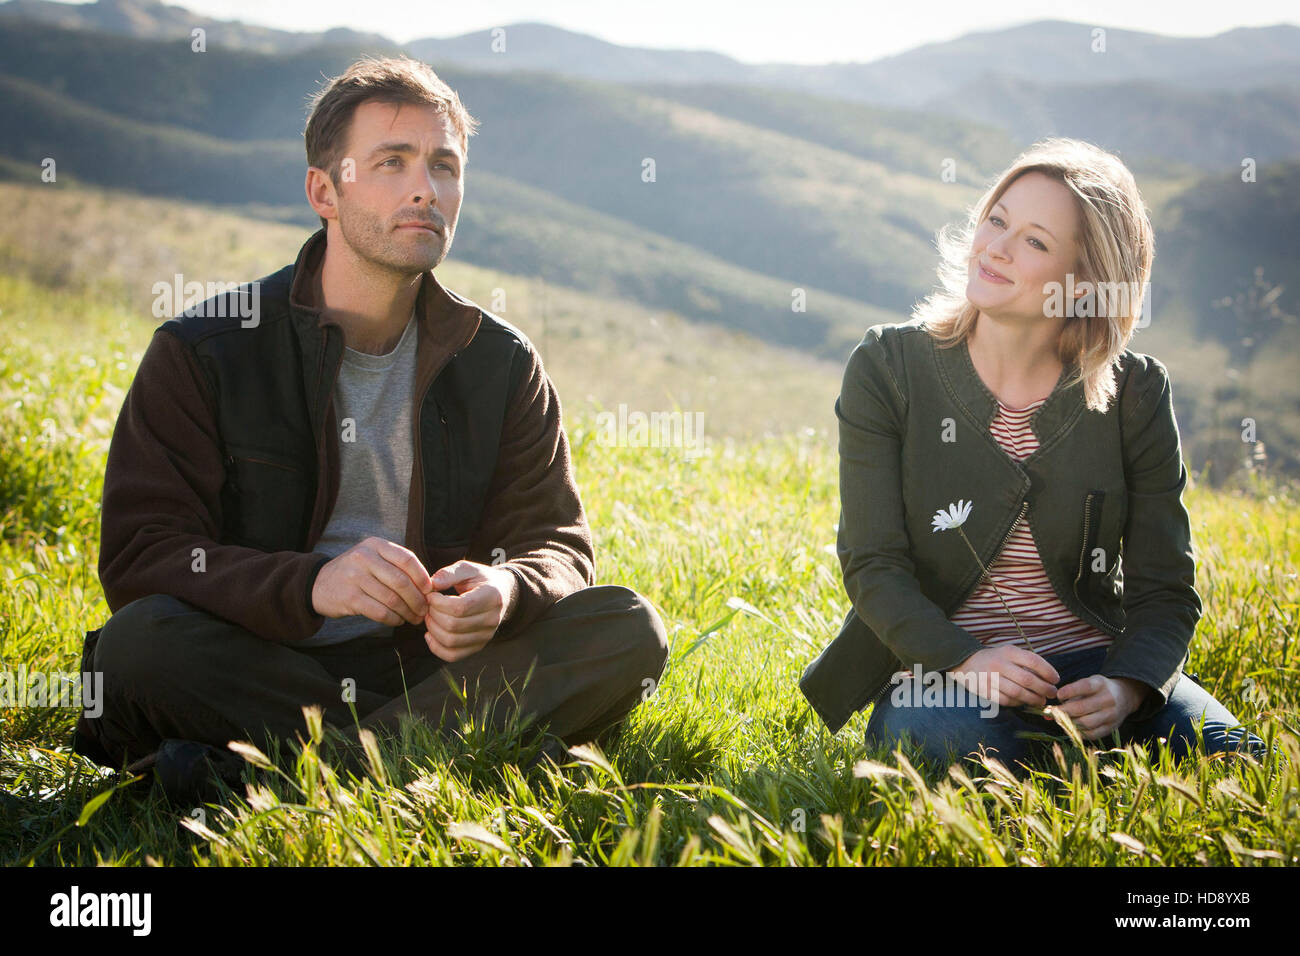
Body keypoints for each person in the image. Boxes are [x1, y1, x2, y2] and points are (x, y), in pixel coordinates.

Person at [71, 55, 668, 797]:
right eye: (392, 161)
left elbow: (558, 545)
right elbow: (143, 557)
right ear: (325, 190)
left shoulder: (502, 363)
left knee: (626, 627)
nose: (426, 187)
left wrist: (505, 589)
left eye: (444, 165)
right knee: (138, 644)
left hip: (428, 669)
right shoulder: (204, 351)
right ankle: (419, 763)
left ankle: (274, 778)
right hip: (259, 659)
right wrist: (313, 584)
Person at [800, 138, 1265, 772]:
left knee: (1240, 759)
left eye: (1036, 242)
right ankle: (1072, 766)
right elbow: (873, 564)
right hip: (945, 672)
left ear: (1085, 284)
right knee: (937, 739)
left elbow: (1165, 590)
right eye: (997, 220)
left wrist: (1127, 687)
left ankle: (1076, 753)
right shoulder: (889, 367)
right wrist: (968, 659)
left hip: (1096, 673)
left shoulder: (1136, 393)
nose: (995, 247)